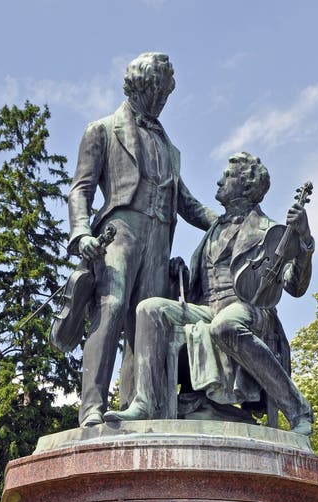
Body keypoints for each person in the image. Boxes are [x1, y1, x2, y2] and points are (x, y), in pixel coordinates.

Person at [104, 151, 314, 435]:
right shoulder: (214, 228)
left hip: (250, 308)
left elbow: (295, 286)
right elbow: (202, 281)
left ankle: (298, 409)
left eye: (227, 177)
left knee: (225, 324)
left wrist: (305, 242)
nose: (219, 182)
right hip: (208, 307)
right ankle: (145, 403)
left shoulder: (269, 231)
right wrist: (181, 273)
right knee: (149, 308)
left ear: (246, 186)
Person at [67, 51, 215, 427]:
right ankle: (92, 406)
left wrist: (229, 220)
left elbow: (186, 202)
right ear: (141, 87)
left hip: (160, 237)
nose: (163, 100)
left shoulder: (169, 148)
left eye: (166, 94)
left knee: (146, 323)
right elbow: (81, 189)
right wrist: (81, 232)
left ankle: (136, 405)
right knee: (112, 307)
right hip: (120, 232)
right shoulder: (102, 130)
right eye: (158, 93)